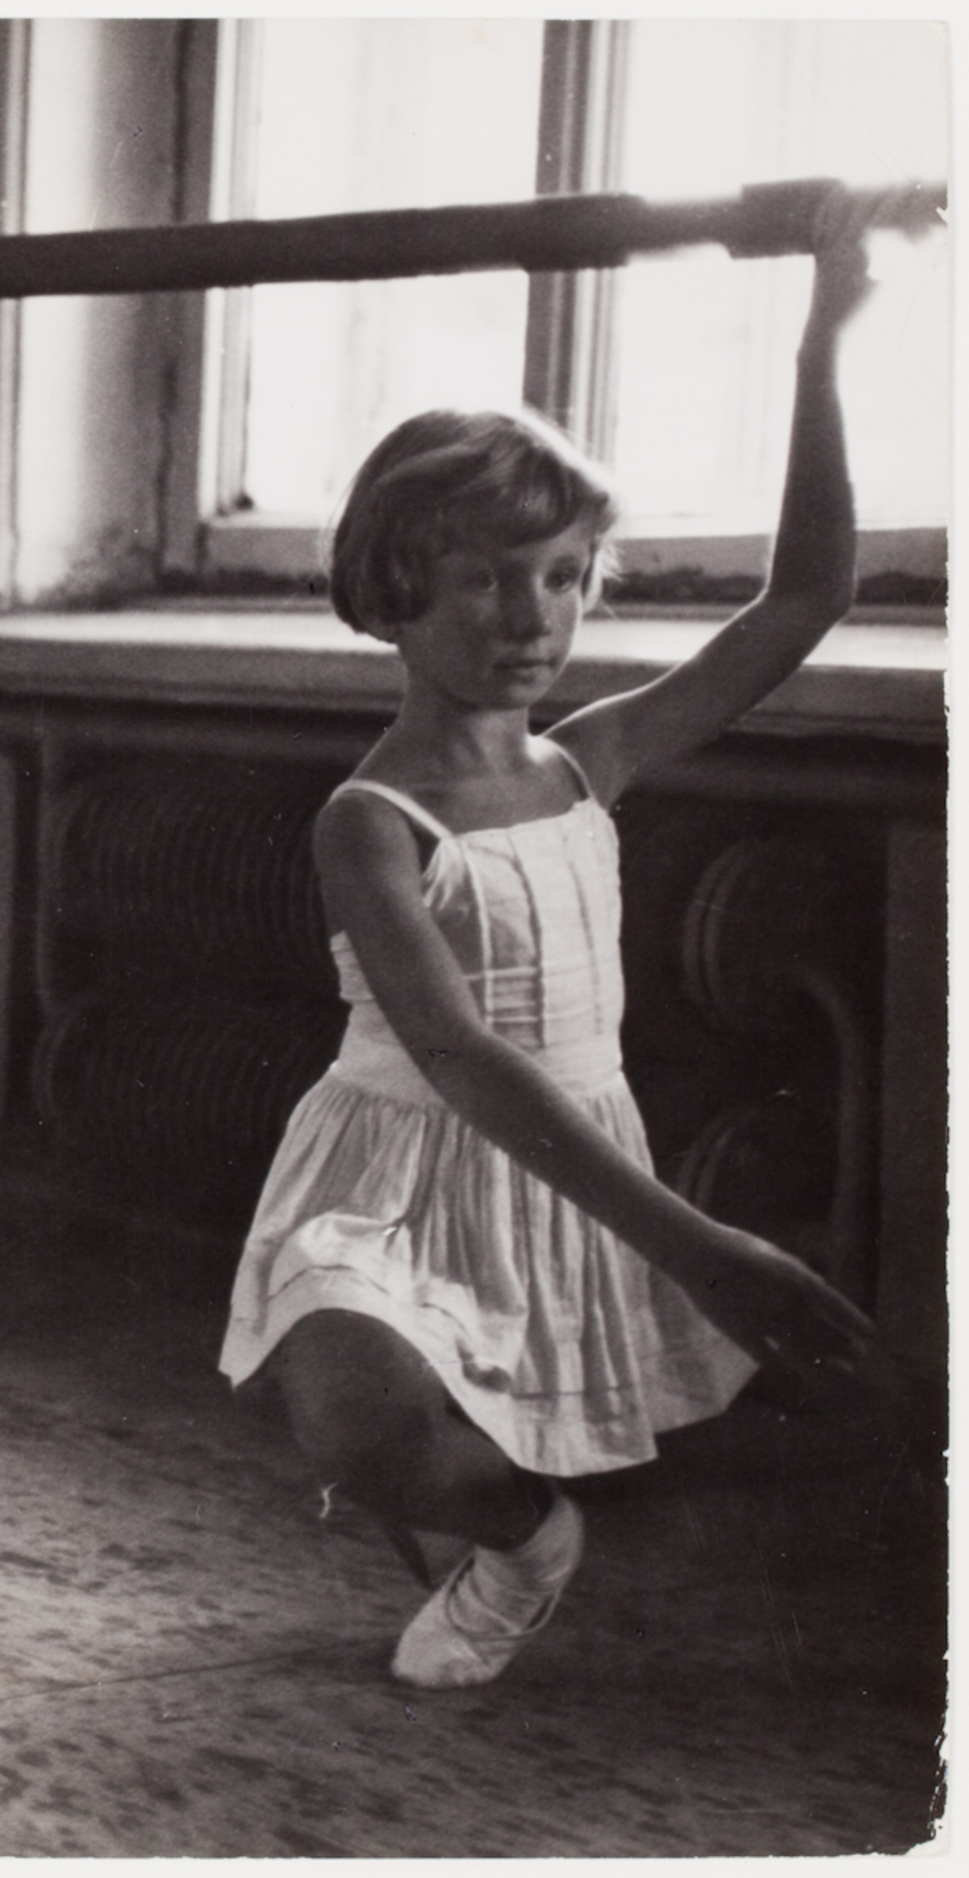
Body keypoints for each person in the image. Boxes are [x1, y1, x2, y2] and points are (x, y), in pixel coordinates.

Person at [218, 191, 895, 1689]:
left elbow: (805, 599)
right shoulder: (372, 820)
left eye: (564, 576)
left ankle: (475, 1537)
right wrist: (700, 1242)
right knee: (351, 1416)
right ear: (396, 591)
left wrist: (821, 340)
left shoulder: (597, 756)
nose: (531, 615)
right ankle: (526, 1537)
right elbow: (457, 1056)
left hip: (571, 1155)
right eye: (483, 579)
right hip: (401, 1149)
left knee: (430, 1427)